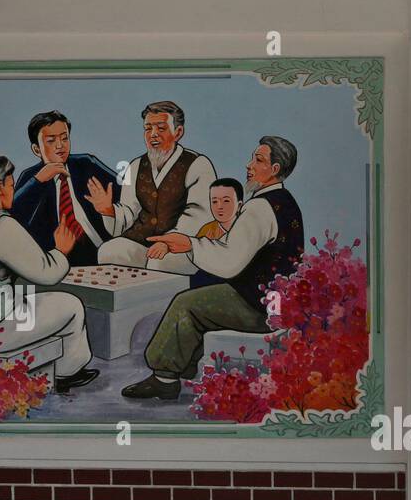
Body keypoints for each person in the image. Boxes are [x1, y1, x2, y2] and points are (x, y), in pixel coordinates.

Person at [121, 137, 304, 401]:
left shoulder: (259, 208)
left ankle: (164, 378)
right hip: (275, 302)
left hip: (258, 307)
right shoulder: (285, 202)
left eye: (258, 160)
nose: (249, 165)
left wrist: (188, 244)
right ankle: (184, 364)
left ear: (274, 169)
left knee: (186, 304)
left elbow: (230, 261)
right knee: (203, 290)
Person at [0, 155, 98, 394]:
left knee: (29, 301)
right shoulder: (2, 225)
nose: (13, 191)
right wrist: (61, 251)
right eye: (12, 186)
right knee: (72, 304)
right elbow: (47, 273)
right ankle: (67, 372)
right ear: (0, 187)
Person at [86, 101, 216, 274]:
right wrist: (108, 210)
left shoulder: (198, 164)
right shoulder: (135, 165)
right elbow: (130, 211)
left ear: (178, 132)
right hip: (143, 242)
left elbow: (199, 214)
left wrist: (168, 242)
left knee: (159, 263)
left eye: (161, 129)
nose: (153, 135)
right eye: (148, 129)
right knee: (110, 251)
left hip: (182, 245)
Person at [12, 110, 119, 267]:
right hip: (57, 256)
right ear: (36, 149)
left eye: (64, 138)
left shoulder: (86, 164)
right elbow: (13, 217)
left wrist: (108, 207)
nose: (60, 145)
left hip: (99, 249)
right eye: (51, 140)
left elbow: (126, 192)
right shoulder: (32, 177)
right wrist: (39, 181)